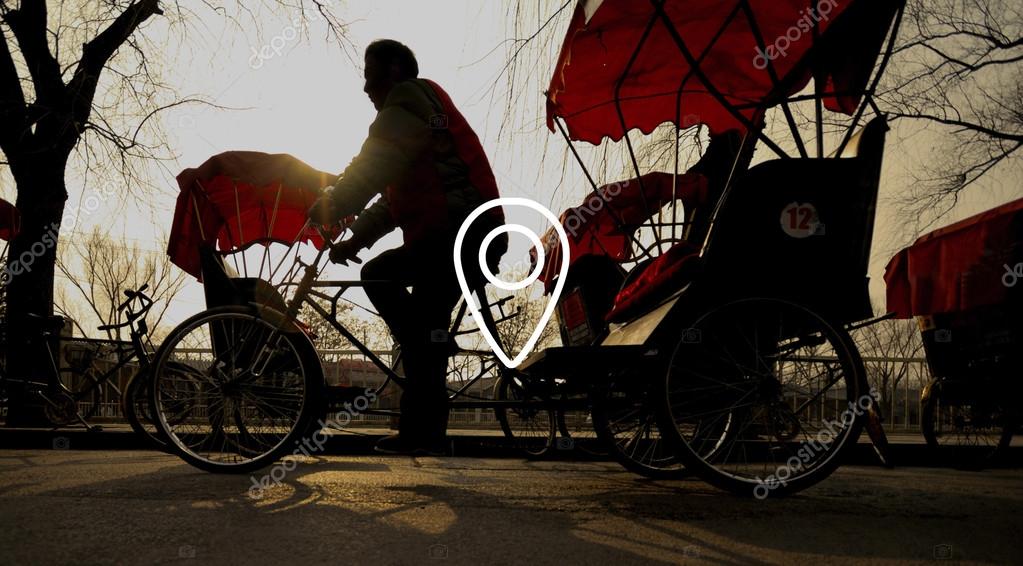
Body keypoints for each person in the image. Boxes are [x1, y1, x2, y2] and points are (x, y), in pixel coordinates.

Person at [309, 39, 506, 455]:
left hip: (460, 235)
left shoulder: (408, 100)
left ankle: (423, 428)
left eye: (369, 75)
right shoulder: (416, 119)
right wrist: (356, 239)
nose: (365, 89)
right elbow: (391, 201)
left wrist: (331, 204)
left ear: (395, 70)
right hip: (456, 237)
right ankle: (423, 431)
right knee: (423, 327)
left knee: (383, 282)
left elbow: (371, 167)